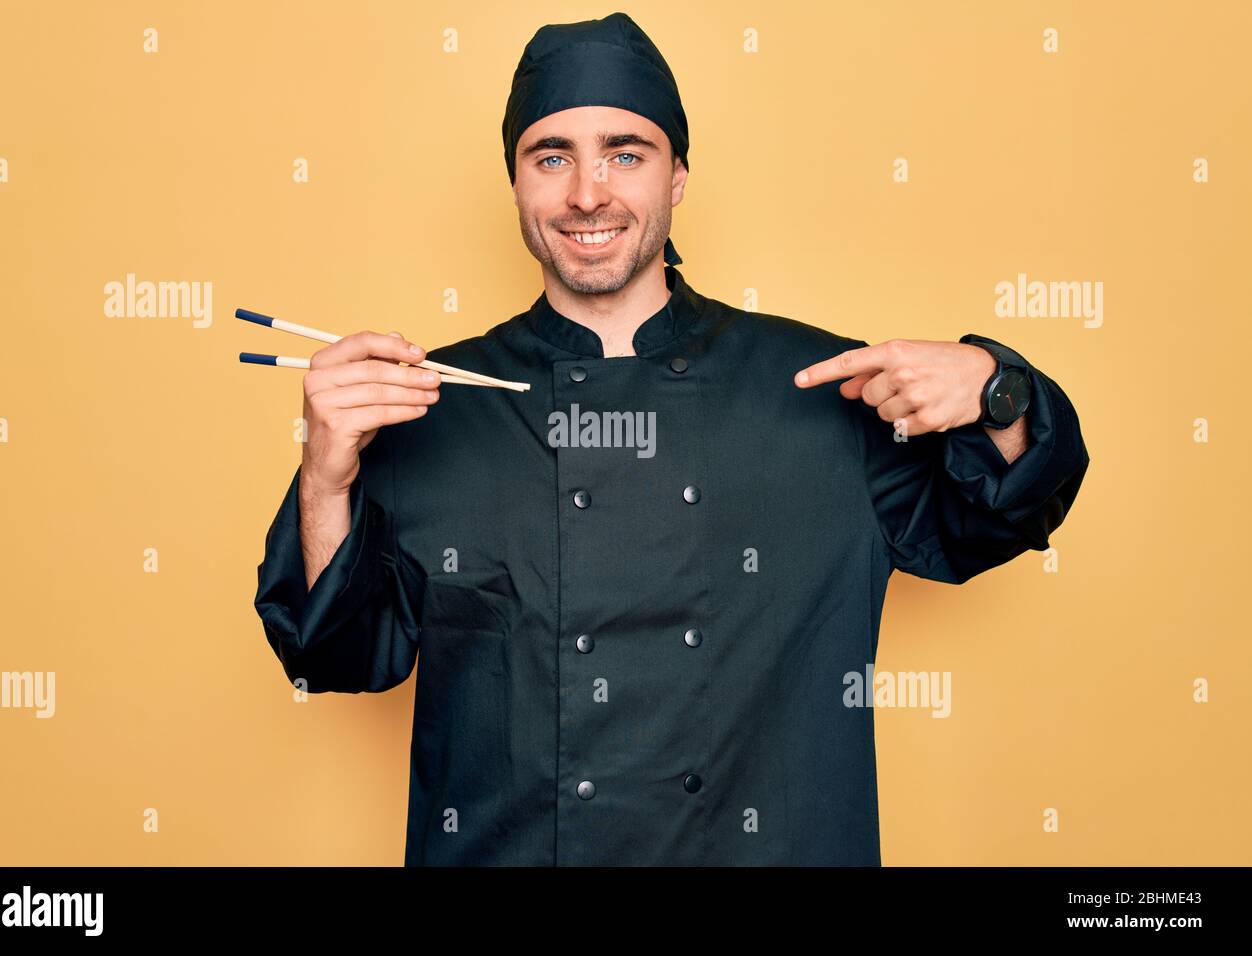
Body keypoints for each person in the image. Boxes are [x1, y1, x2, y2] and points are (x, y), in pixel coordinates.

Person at [253, 12, 1090, 865]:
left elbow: (1003, 517)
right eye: (552, 158)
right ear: (514, 183)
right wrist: (325, 474)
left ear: (679, 176)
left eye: (626, 153)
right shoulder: (428, 402)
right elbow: (339, 660)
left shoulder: (822, 387)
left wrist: (997, 386)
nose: (588, 193)